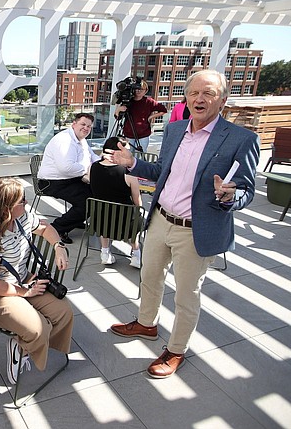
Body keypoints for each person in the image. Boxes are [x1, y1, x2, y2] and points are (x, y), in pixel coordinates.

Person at [104, 70, 259, 379]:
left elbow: (246, 191)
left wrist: (230, 197)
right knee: (149, 276)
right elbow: (163, 170)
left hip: (195, 230)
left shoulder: (241, 139)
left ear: (223, 100)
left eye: (209, 93)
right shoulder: (175, 130)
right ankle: (147, 324)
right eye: (194, 93)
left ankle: (176, 349)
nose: (200, 99)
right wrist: (132, 163)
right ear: (186, 98)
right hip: (161, 218)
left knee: (186, 294)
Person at [0, 177, 73, 385]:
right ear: (6, 208)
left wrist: (58, 246)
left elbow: (44, 228)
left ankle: (27, 346)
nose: (26, 203)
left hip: (23, 280)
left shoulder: (21, 218)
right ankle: (25, 344)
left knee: (64, 312)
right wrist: (26, 292)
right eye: (21, 201)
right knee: (37, 329)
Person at [36, 113, 100, 244]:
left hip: (68, 179)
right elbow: (66, 167)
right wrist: (89, 169)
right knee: (88, 202)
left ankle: (76, 218)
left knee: (97, 193)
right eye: (83, 124)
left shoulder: (81, 139)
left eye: (89, 126)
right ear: (74, 124)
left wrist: (103, 165)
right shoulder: (64, 140)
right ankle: (58, 228)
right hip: (51, 182)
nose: (86, 128)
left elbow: (92, 156)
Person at [89, 136, 142, 268]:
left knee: (104, 212)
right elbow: (137, 202)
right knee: (136, 216)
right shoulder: (128, 173)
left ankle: (105, 253)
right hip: (125, 222)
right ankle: (136, 254)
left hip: (100, 220)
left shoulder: (93, 167)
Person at [113, 80, 167, 152]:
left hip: (143, 135)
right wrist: (118, 110)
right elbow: (118, 117)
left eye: (141, 89)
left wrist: (150, 117)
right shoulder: (128, 100)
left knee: (140, 156)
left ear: (146, 91)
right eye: (136, 89)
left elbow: (163, 110)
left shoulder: (149, 101)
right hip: (129, 134)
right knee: (128, 155)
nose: (138, 91)